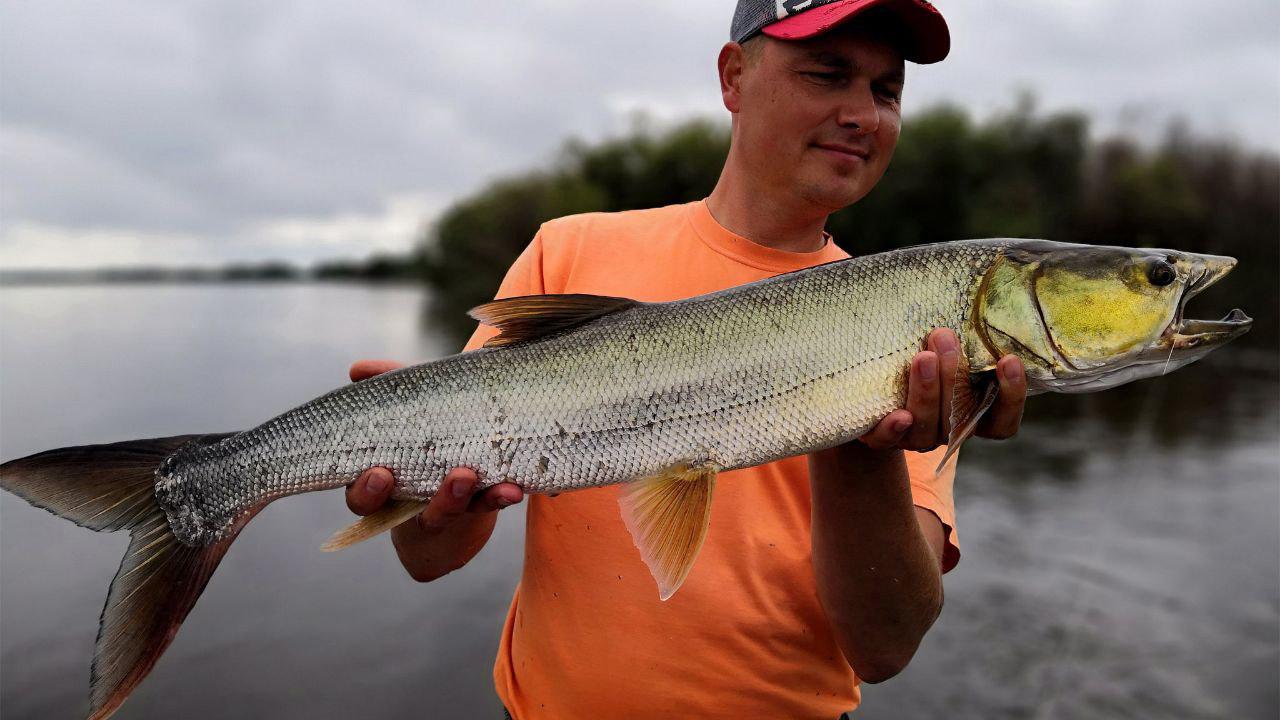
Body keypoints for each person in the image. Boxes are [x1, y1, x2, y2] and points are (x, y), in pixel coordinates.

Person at [346, 1, 1027, 717]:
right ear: (733, 77)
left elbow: (884, 648)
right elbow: (430, 559)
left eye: (887, 90)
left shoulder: (917, 324)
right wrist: (423, 480)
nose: (864, 114)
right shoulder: (569, 253)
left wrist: (862, 445)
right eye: (829, 74)